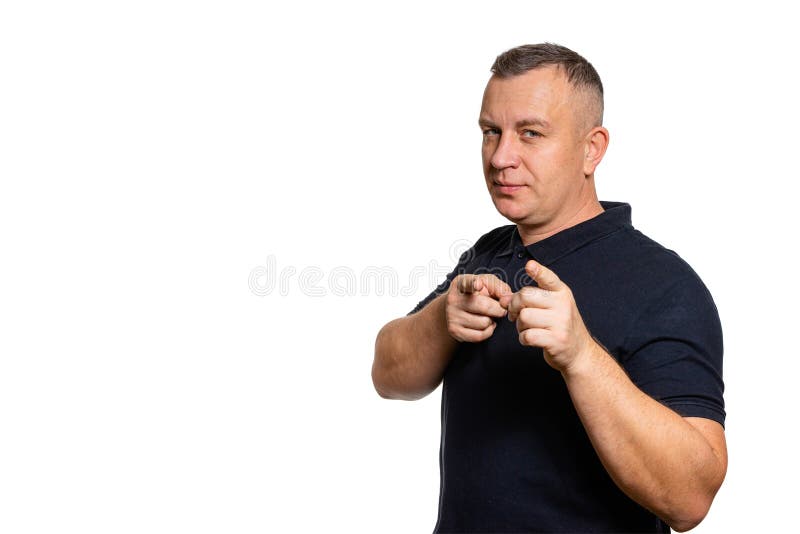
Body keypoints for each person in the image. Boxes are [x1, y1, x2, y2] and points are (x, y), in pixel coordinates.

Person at [371, 43, 727, 533]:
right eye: (491, 132)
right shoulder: (487, 253)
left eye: (530, 134)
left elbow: (690, 500)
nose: (501, 157)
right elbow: (387, 376)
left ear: (591, 149)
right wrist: (441, 319)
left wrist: (581, 356)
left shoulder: (664, 285)